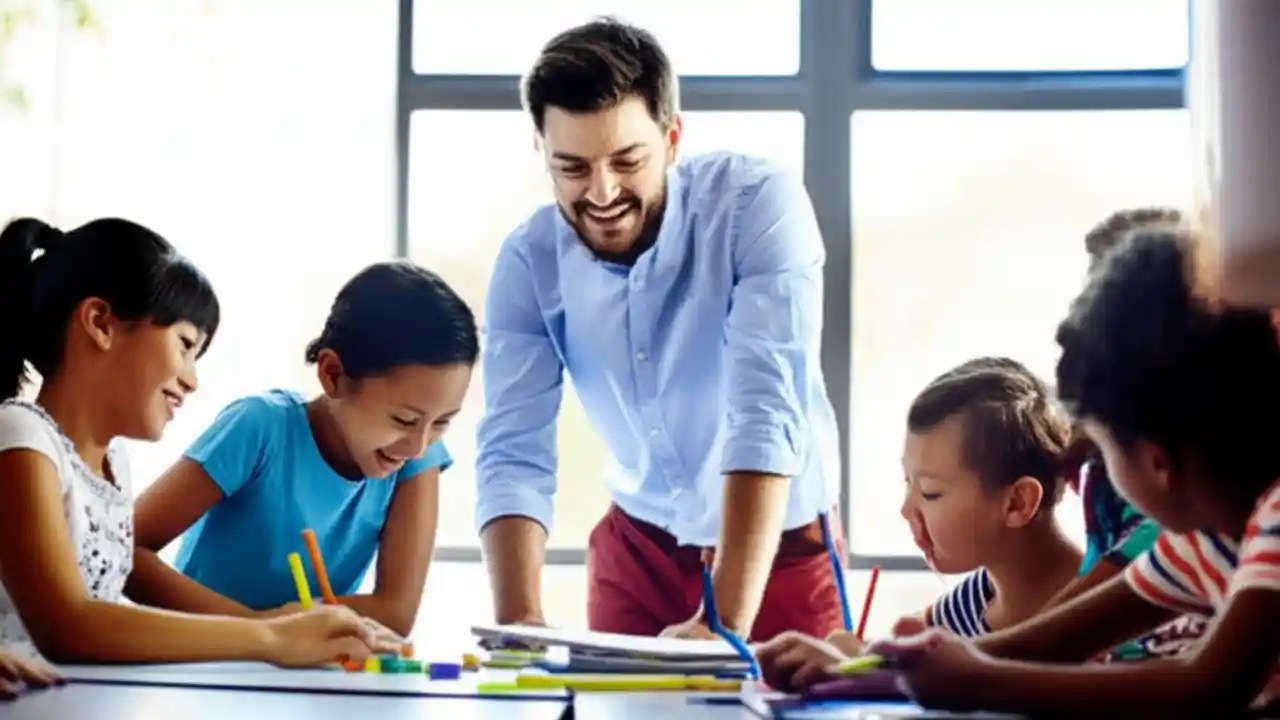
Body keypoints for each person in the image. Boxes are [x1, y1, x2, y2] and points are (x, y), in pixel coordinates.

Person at [785, 228, 1280, 715]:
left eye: (1103, 452)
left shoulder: (1273, 520)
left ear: (1157, 462)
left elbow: (1207, 686)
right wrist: (868, 674)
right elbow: (1048, 643)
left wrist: (974, 681)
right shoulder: (1205, 541)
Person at [475, 17, 842, 642]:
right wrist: (519, 626)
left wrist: (721, 626)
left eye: (627, 160)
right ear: (541, 151)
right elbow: (514, 451)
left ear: (672, 139)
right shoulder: (527, 262)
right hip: (638, 546)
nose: (602, 191)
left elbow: (764, 414)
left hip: (774, 542)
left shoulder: (758, 206)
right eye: (572, 167)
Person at [0, 217, 384, 669]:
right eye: (184, 345)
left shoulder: (113, 464)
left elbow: (108, 614)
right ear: (100, 322)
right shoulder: (22, 436)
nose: (191, 379)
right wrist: (266, 635)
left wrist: (276, 625)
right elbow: (69, 625)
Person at [127, 262, 476, 636]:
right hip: (208, 660)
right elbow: (126, 550)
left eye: (442, 422)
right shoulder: (259, 427)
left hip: (309, 669)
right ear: (333, 375)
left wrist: (283, 632)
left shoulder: (415, 458)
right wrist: (261, 631)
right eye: (404, 420)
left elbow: (396, 613)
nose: (419, 444)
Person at [761, 357, 1082, 682]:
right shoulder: (973, 601)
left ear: (1017, 503)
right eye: (907, 482)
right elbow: (902, 658)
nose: (905, 509)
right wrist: (855, 655)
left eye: (930, 492)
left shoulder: (1110, 613)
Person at [1044, 207, 1207, 662]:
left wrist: (972, 670)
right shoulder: (1211, 535)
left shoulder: (1213, 529)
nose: (1084, 316)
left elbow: (1207, 683)